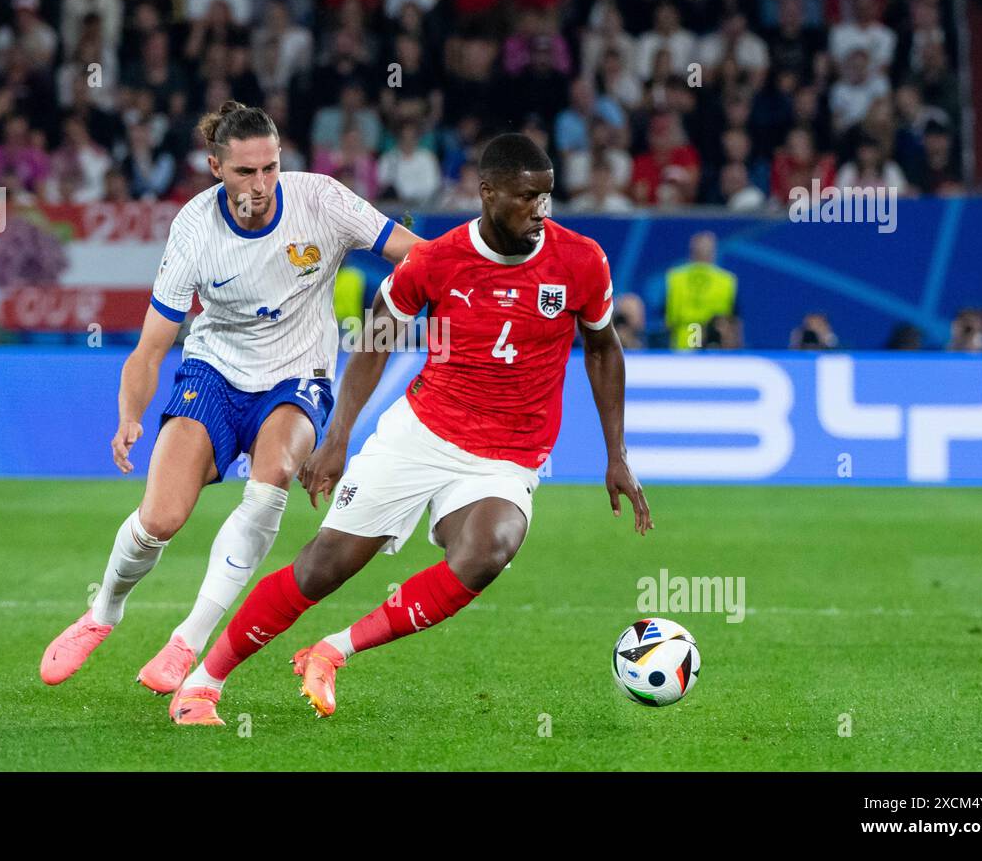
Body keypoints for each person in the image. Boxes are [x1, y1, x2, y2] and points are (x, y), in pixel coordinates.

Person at [169, 133, 651, 726]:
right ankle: (203, 681)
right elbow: (376, 340)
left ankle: (333, 651)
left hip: (510, 455)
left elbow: (604, 350)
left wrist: (617, 453)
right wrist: (339, 435)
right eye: (527, 198)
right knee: (322, 568)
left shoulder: (581, 260)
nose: (540, 211)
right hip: (420, 435)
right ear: (487, 192)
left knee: (488, 550)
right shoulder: (435, 260)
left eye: (547, 197)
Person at [39, 101, 419, 700]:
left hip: (299, 375)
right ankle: (102, 614)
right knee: (160, 519)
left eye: (270, 168)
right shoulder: (194, 230)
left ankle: (187, 641)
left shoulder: (322, 199)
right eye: (246, 172)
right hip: (214, 371)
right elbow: (149, 348)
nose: (261, 185)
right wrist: (129, 416)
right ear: (216, 166)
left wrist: (488, 278)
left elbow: (417, 253)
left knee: (270, 479)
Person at [664, 230, 738, 349]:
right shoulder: (726, 280)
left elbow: (669, 320)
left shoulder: (675, 278)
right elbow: (733, 321)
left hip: (684, 339)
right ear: (713, 253)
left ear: (691, 253)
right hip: (714, 341)